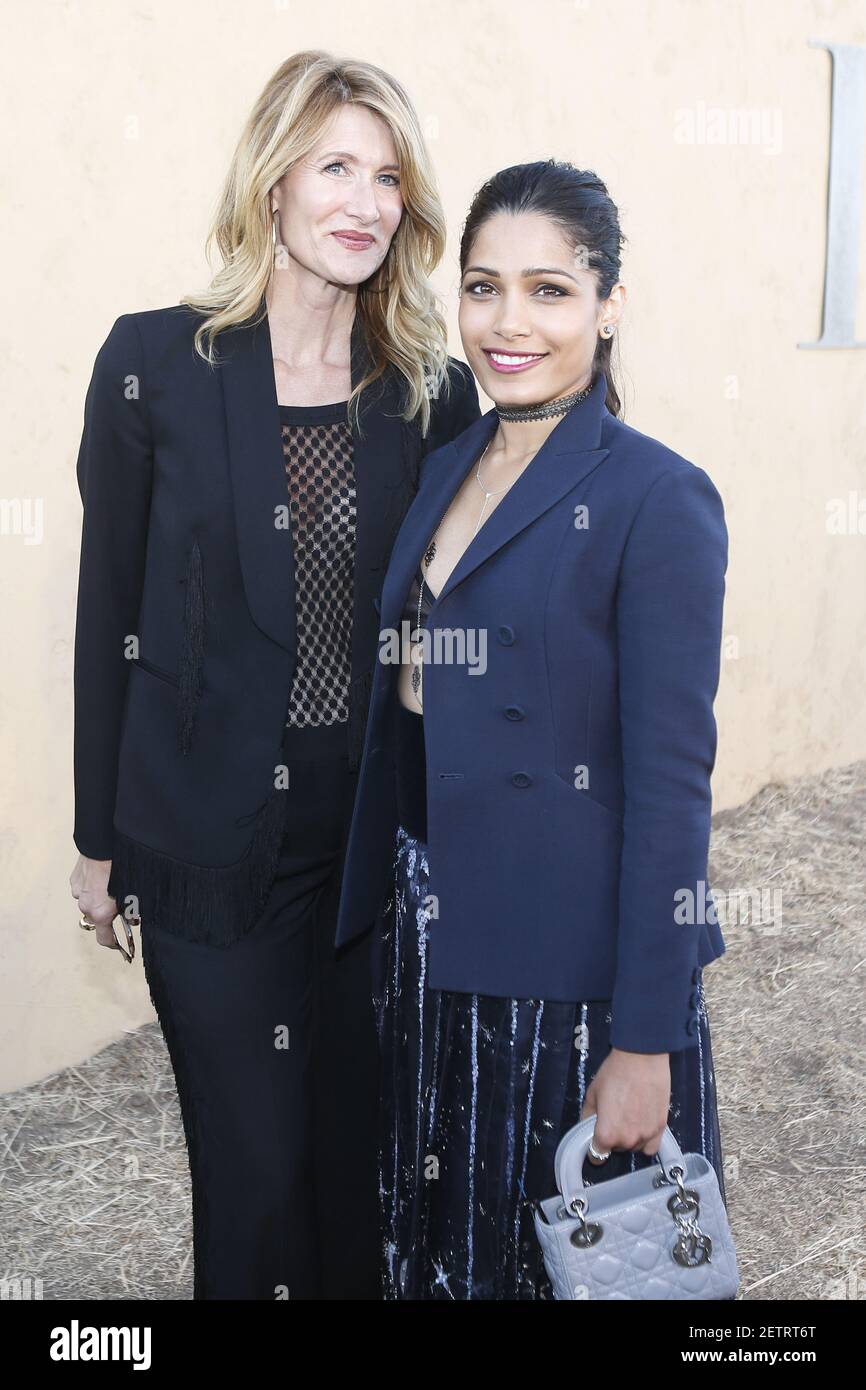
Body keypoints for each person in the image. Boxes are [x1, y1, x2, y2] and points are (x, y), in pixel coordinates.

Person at [68, 50, 480, 1301]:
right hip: (205, 850)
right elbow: (106, 616)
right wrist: (98, 839)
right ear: (273, 180)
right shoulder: (154, 368)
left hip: (365, 847)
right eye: (336, 165)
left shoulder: (429, 395)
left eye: (389, 178)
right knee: (250, 1184)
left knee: (353, 1176)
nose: (364, 200)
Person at [335, 160, 730, 1299]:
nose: (508, 324)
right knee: (447, 1253)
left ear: (607, 306)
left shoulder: (659, 498)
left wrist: (643, 1039)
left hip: (571, 984)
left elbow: (670, 790)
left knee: (567, 1267)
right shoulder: (451, 459)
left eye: (549, 290)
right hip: (435, 939)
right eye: (483, 286)